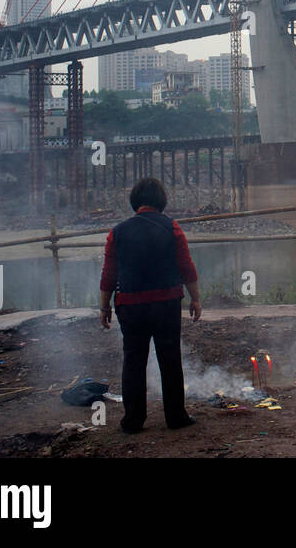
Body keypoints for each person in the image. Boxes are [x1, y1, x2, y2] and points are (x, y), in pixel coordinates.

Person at [98, 177, 202, 433]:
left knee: (133, 360)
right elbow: (186, 267)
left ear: (135, 202)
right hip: (166, 303)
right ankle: (176, 417)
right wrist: (195, 298)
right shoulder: (172, 228)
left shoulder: (117, 232)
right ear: (161, 201)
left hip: (130, 306)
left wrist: (104, 307)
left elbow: (108, 274)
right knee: (170, 358)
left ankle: (133, 421)